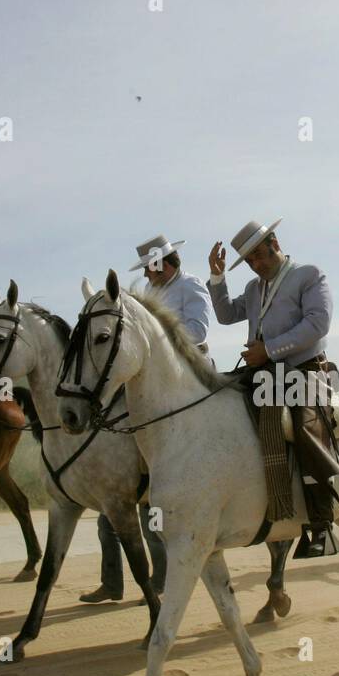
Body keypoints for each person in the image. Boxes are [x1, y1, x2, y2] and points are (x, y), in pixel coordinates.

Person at [208, 218, 339, 558]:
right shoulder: (253, 288)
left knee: (305, 428)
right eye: (250, 261)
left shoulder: (308, 274)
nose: (257, 264)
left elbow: (318, 324)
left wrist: (269, 349)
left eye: (260, 255)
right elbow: (226, 314)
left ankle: (321, 526)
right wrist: (218, 278)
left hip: (305, 371)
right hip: (262, 373)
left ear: (274, 243)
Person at [82, 235, 213, 605]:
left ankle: (161, 576)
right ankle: (112, 582)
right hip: (147, 382)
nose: (148, 274)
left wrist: (157, 341)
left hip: (187, 375)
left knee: (148, 511)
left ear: (164, 263)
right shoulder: (143, 293)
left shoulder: (191, 285)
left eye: (150, 267)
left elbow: (200, 332)